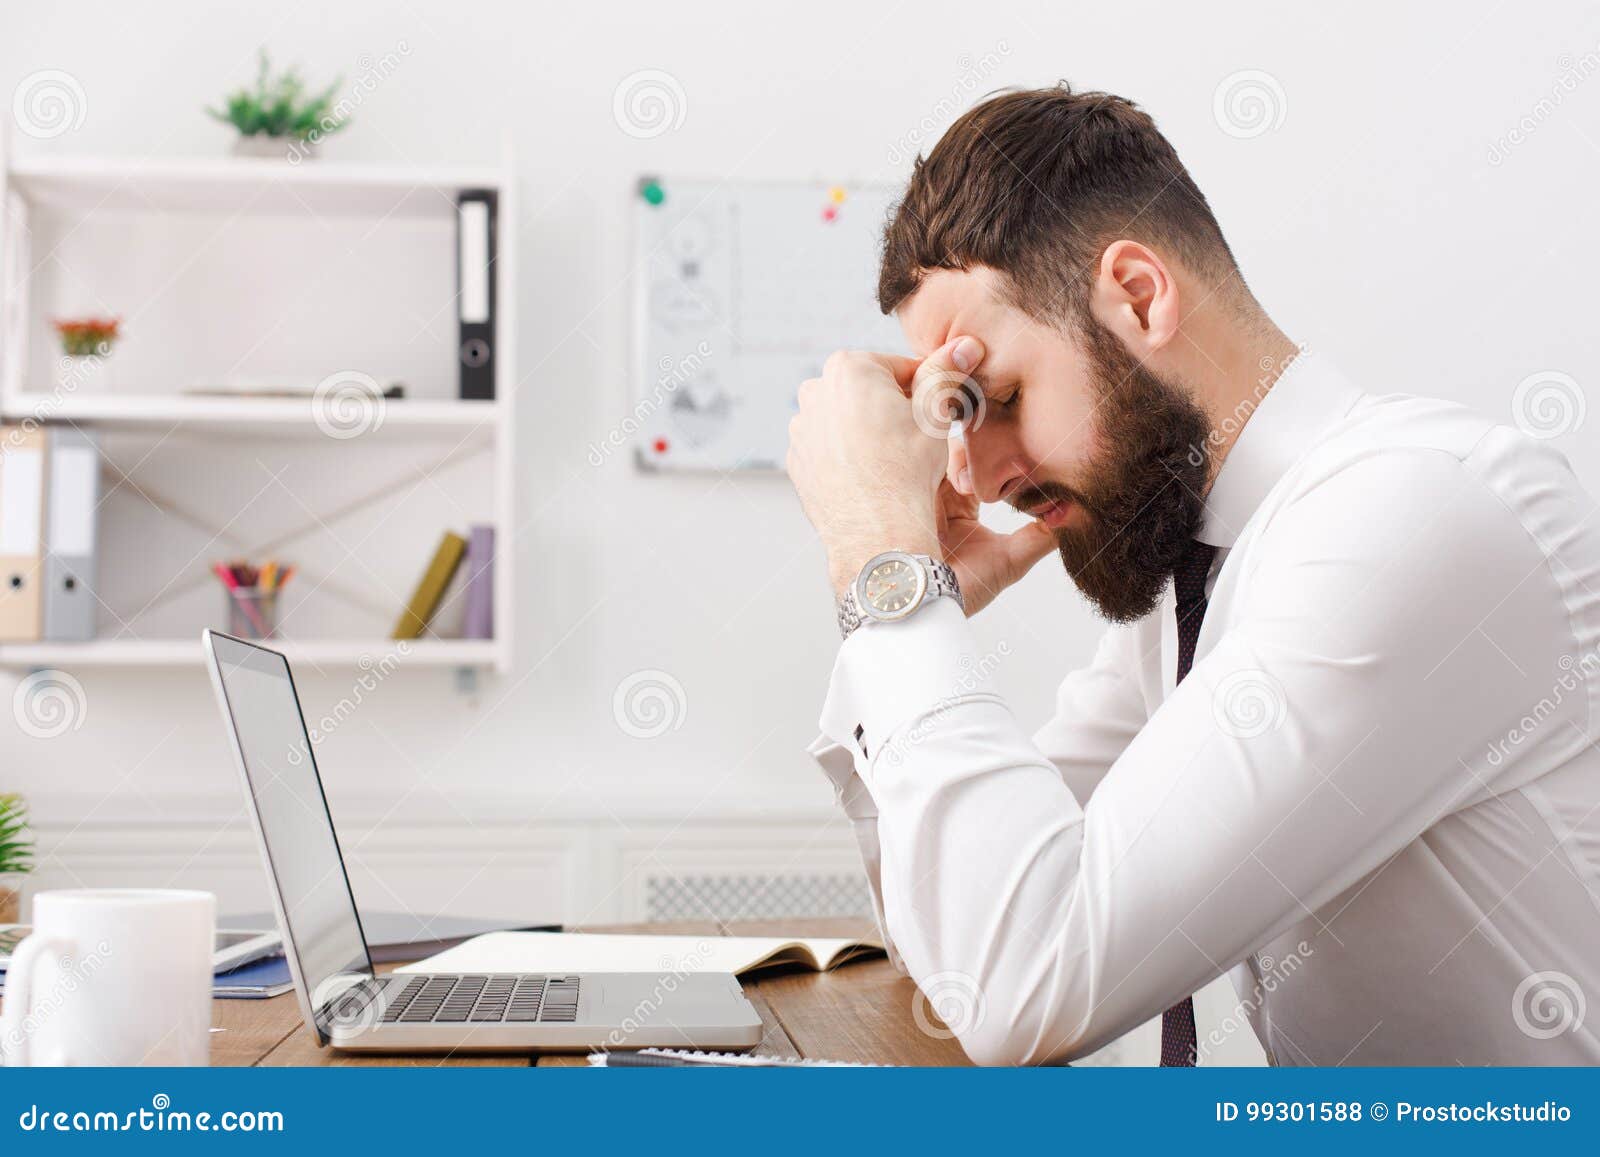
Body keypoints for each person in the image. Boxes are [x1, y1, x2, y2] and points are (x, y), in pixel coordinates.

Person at [786, 85, 1600, 1066]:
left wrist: (892, 574)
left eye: (995, 396)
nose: (981, 475)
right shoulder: (1191, 572)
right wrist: (900, 591)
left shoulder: (1410, 515)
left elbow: (1021, 982)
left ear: (1137, 295)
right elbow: (968, 938)